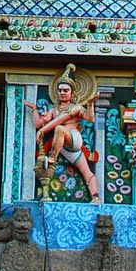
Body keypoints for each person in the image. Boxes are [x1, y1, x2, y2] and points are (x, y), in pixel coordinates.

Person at [25, 68, 100, 201]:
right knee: (87, 172)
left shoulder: (75, 108)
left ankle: (52, 158)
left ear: (73, 93)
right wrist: (34, 109)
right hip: (63, 147)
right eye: (60, 90)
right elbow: (38, 124)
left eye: (66, 90)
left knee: (59, 128)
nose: (62, 93)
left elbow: (90, 118)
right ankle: (96, 197)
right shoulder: (54, 110)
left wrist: (89, 104)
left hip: (74, 139)